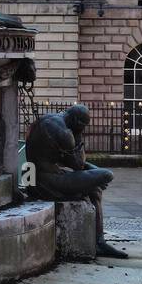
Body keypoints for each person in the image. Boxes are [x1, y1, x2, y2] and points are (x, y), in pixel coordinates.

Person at [24, 104, 129, 258]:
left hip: (32, 178)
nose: (84, 129)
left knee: (95, 189)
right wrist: (78, 136)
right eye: (83, 126)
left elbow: (72, 163)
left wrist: (93, 176)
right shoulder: (66, 134)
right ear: (75, 121)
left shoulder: (52, 120)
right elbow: (79, 165)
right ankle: (99, 242)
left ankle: (99, 242)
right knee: (107, 175)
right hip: (47, 183)